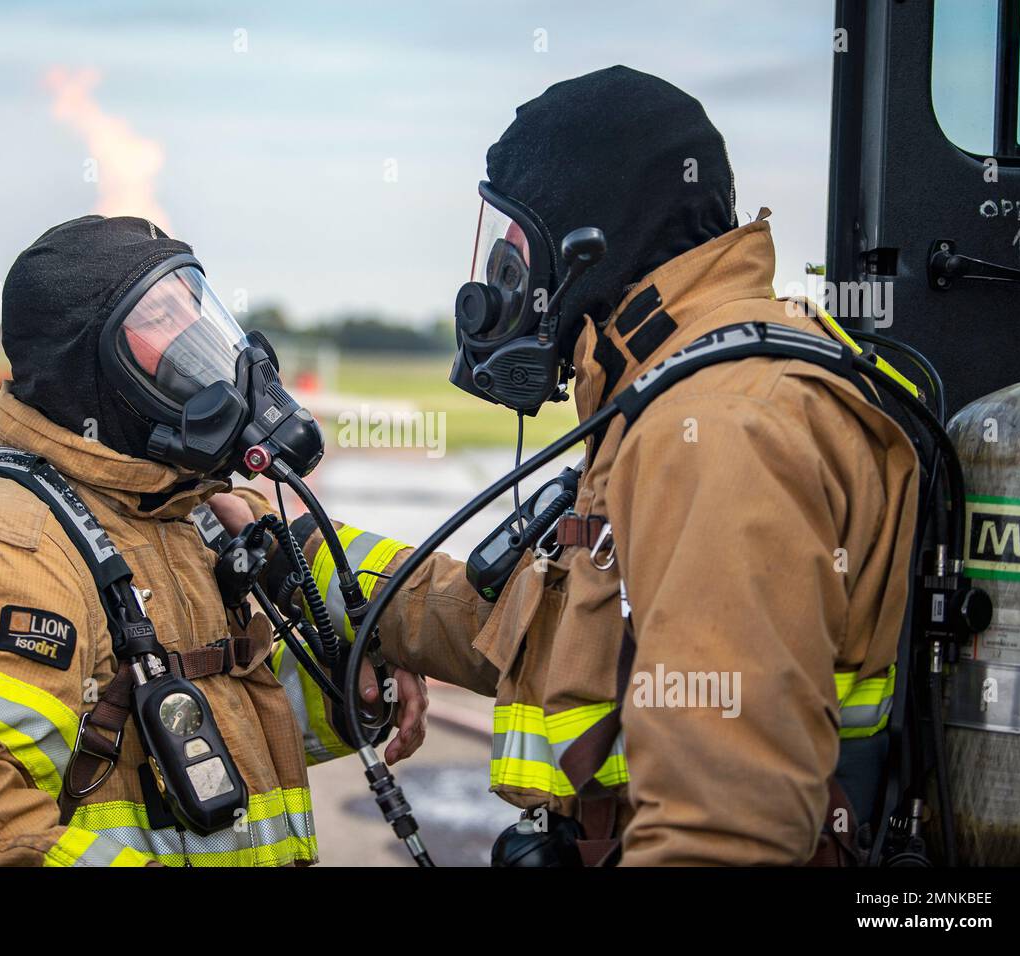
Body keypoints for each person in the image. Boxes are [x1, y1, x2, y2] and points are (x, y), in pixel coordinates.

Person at [212, 66, 919, 866]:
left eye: (515, 250)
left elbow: (725, 832)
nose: (498, 286)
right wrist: (302, 548)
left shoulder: (719, 425)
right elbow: (530, 634)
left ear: (589, 247)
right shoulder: (669, 390)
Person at [0, 215, 427, 866]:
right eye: (159, 319)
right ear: (90, 368)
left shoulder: (175, 515)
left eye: (196, 312)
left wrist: (352, 674)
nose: (197, 344)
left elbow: (213, 716)